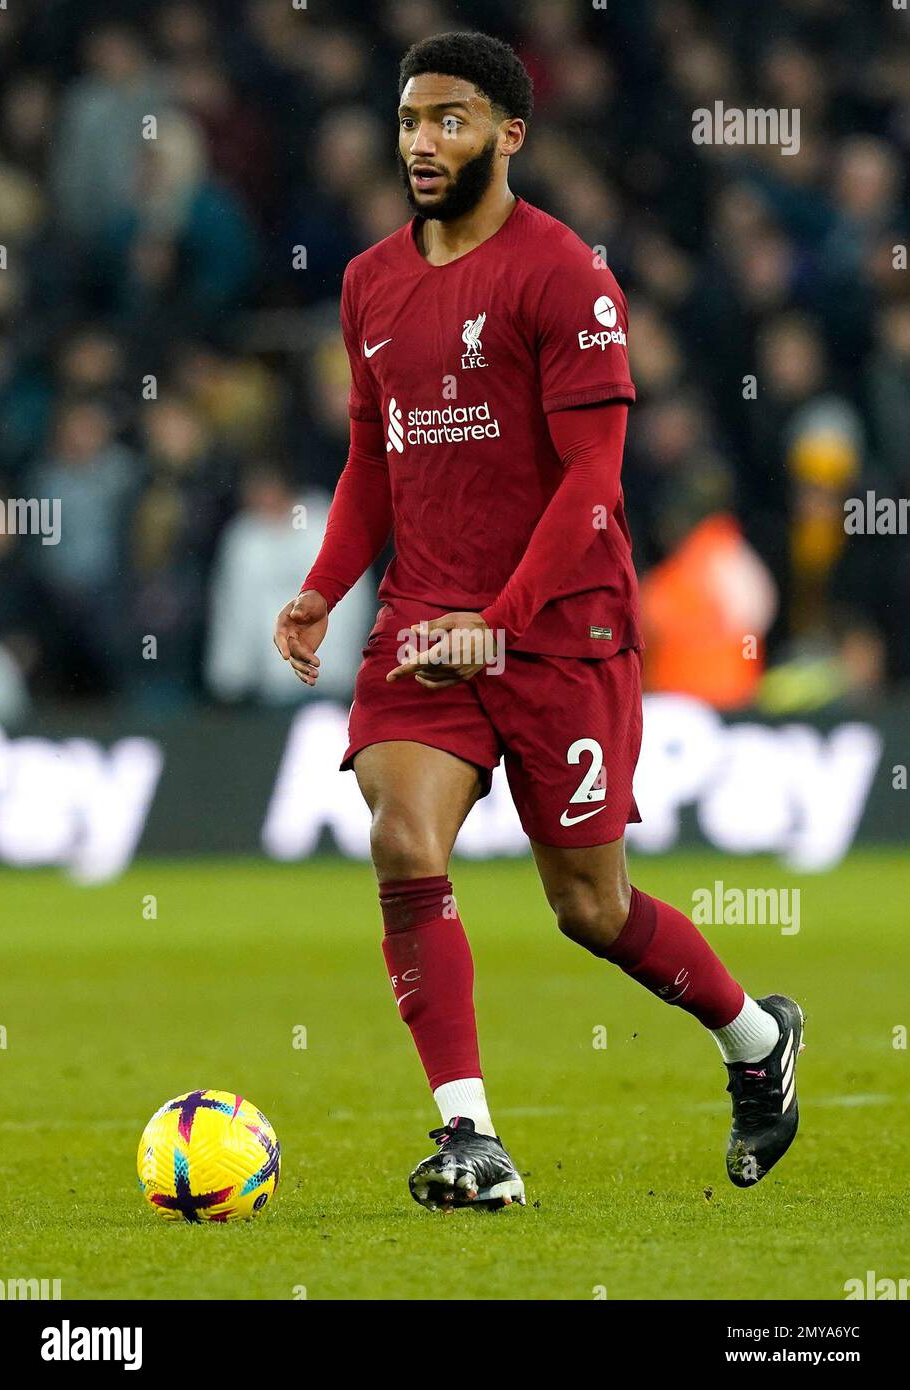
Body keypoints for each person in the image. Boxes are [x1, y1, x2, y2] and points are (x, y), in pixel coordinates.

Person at [274, 31, 805, 1210]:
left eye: (449, 119)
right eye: (410, 120)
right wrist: (323, 583)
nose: (422, 142)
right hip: (422, 625)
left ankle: (755, 1043)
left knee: (590, 908)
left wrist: (501, 621)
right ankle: (469, 1135)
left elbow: (593, 484)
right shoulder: (369, 281)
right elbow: (374, 457)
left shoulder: (565, 275)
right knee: (404, 844)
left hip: (561, 628)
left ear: (510, 133)